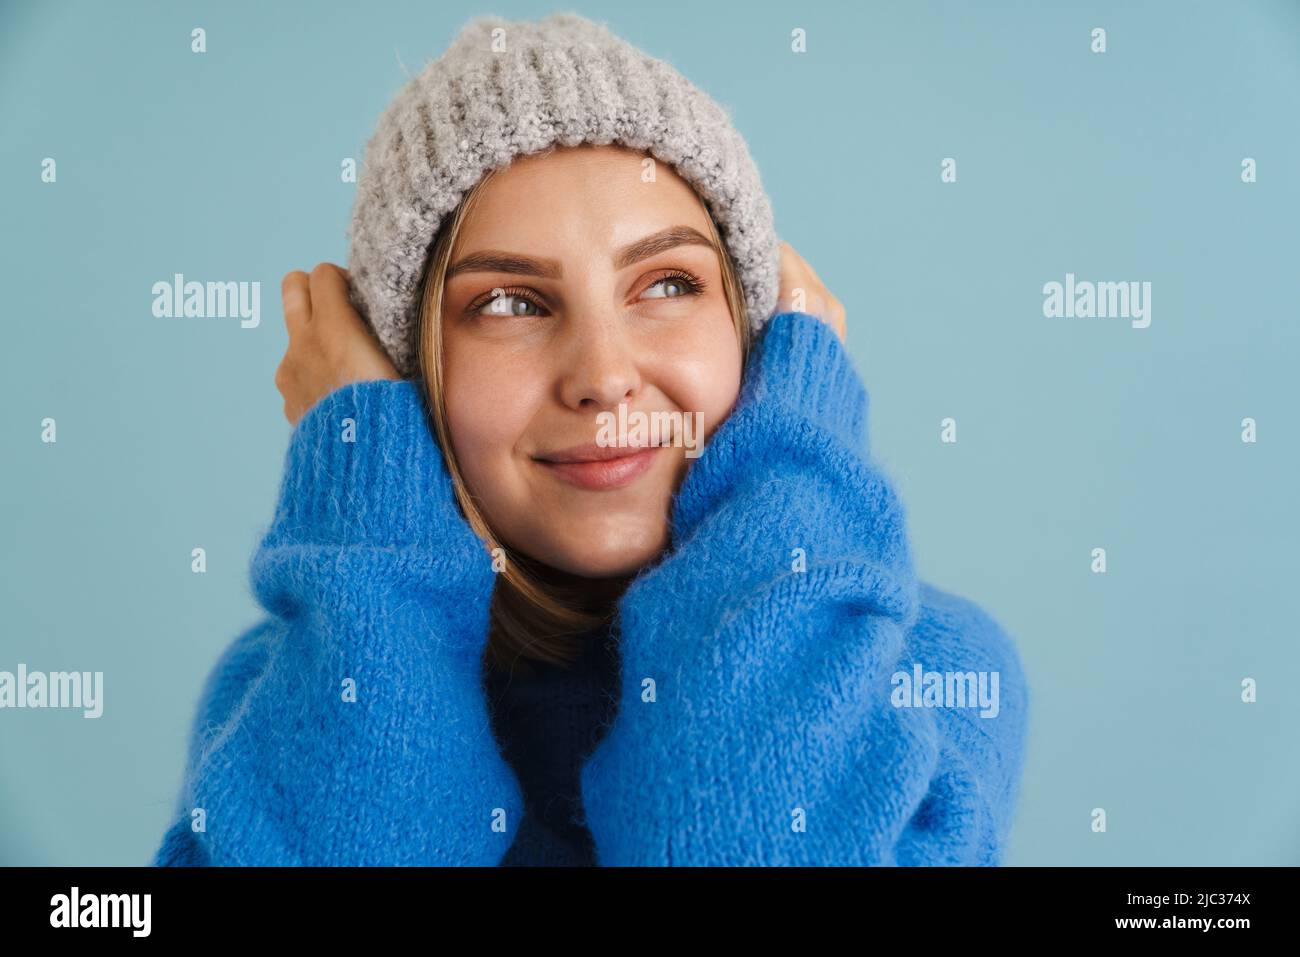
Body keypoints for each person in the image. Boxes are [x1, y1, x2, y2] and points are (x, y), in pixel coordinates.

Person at [152, 12, 1028, 867]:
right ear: (407, 377)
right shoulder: (292, 687)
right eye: (509, 303)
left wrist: (790, 460)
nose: (603, 375)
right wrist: (369, 498)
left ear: (758, 338)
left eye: (668, 283)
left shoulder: (920, 667)